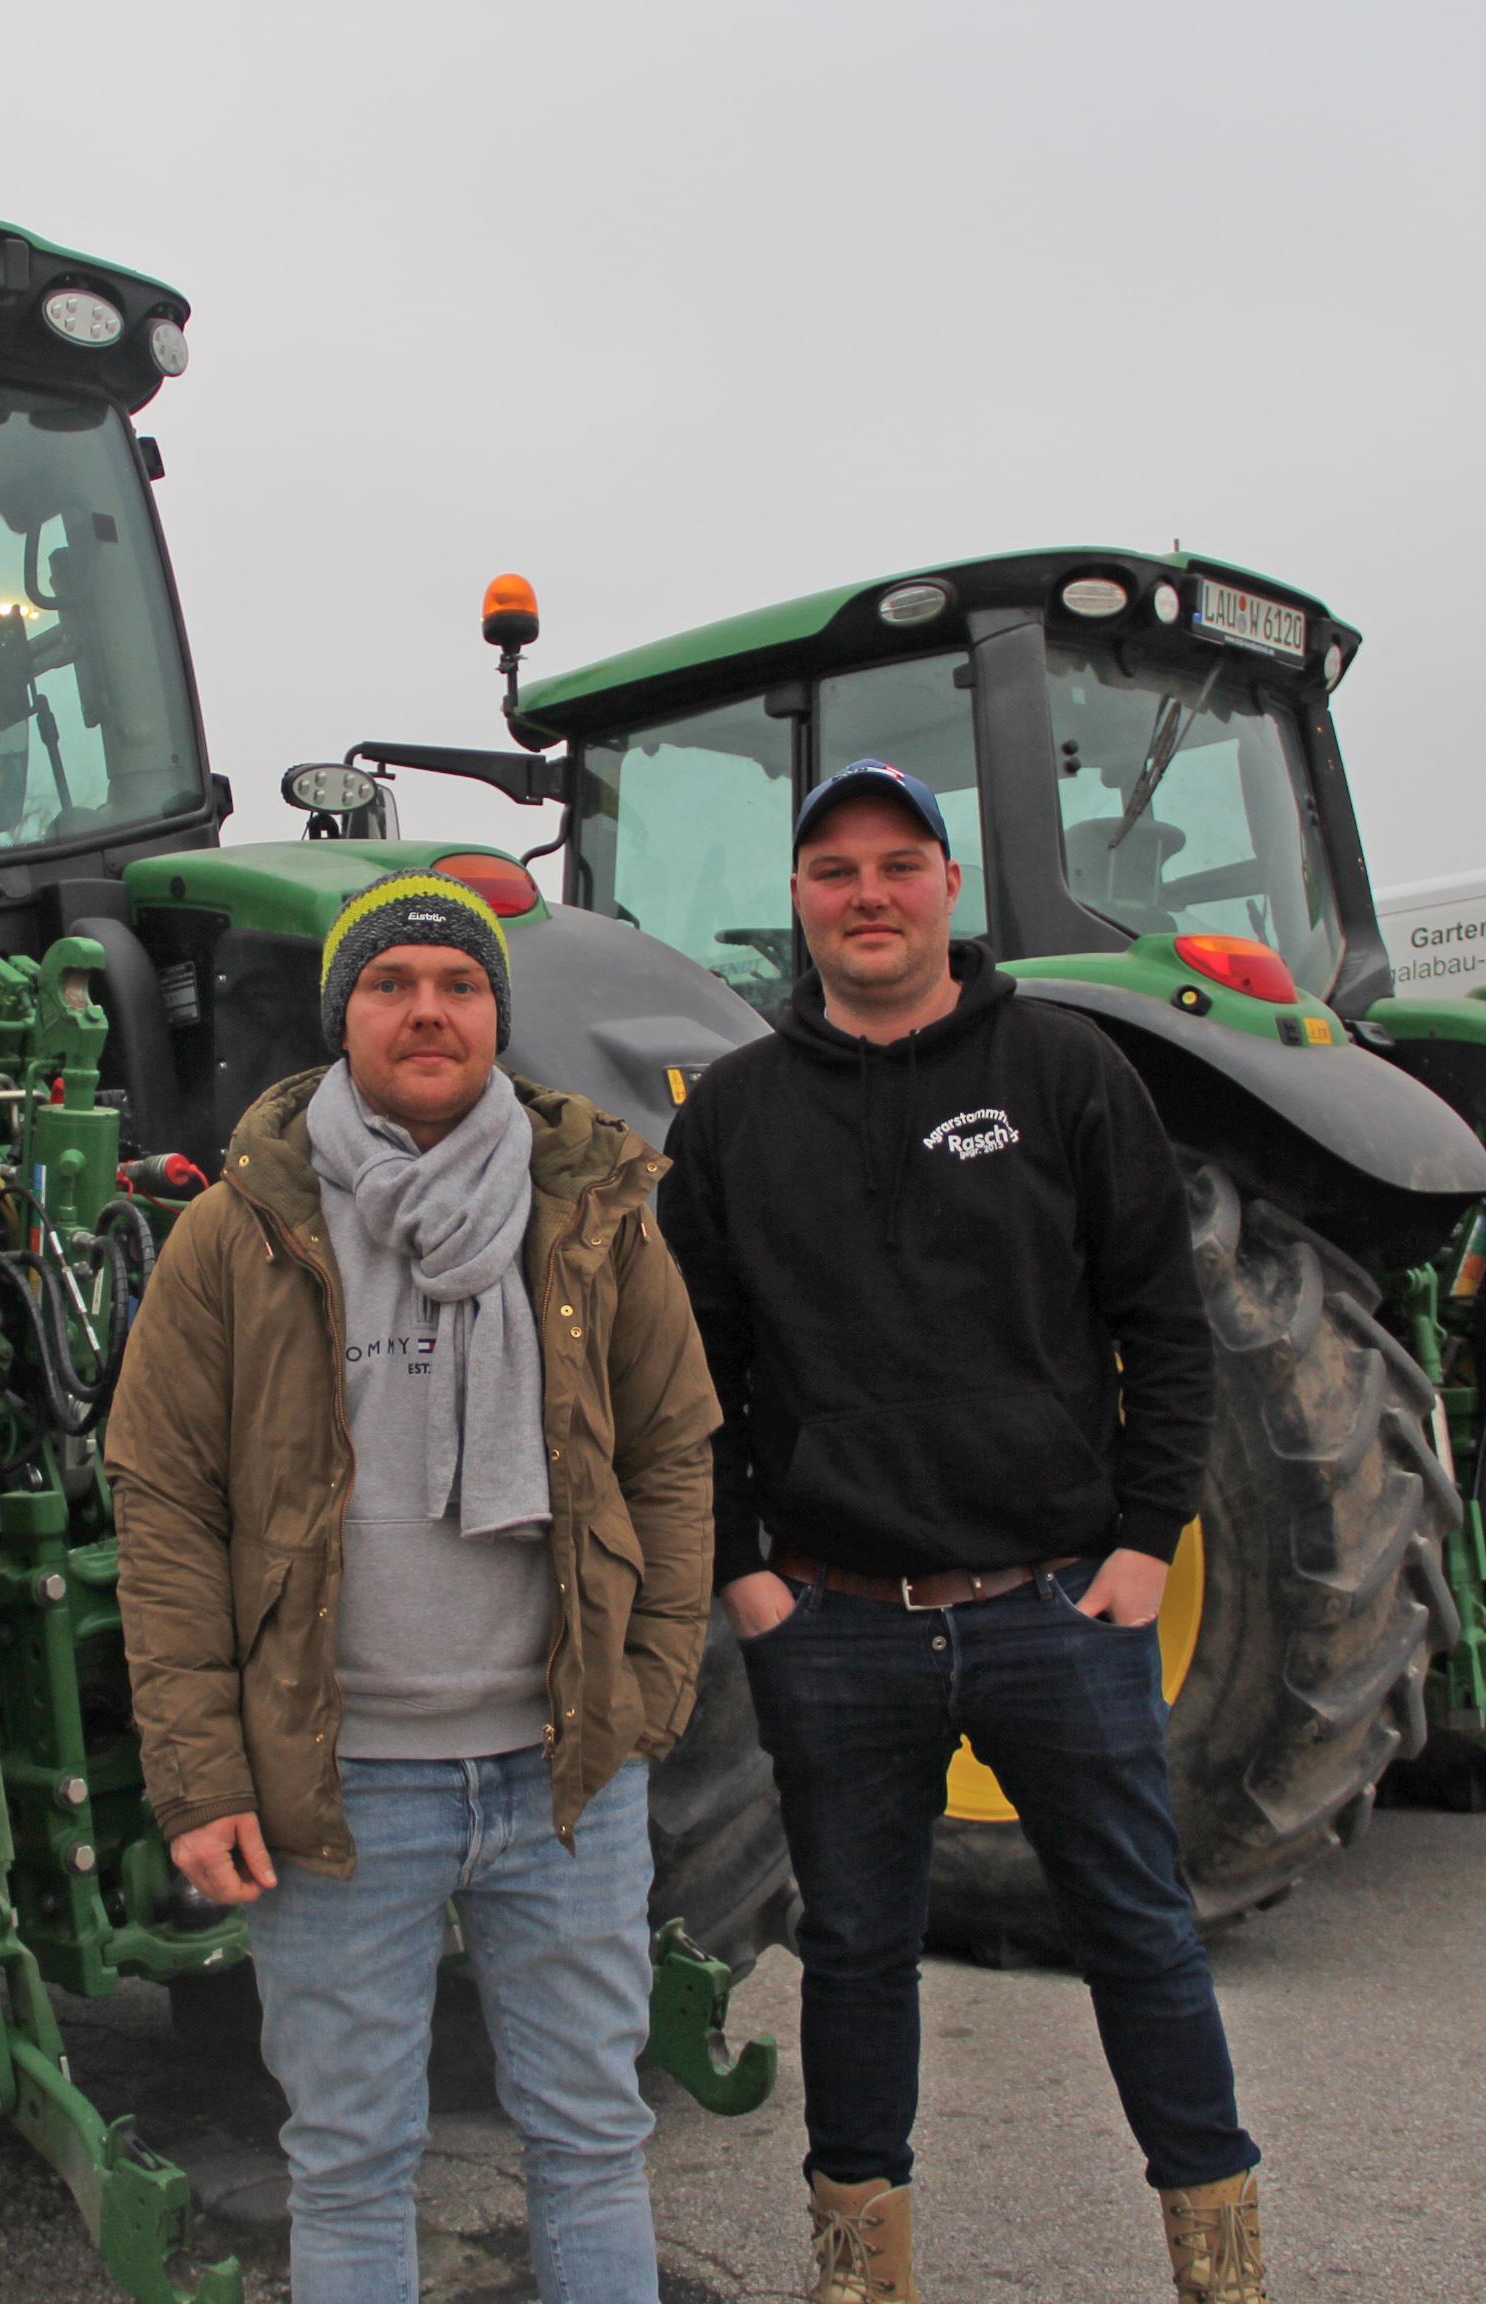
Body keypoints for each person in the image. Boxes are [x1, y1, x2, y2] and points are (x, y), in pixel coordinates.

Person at [654, 764, 1271, 2304]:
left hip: (1051, 1607)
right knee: (855, 1954)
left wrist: (1141, 1545)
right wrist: (745, 1571)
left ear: (948, 887)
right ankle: (860, 2274)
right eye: (834, 870)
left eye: (899, 864)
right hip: (837, 1618)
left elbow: (1164, 1324)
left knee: (1138, 1935)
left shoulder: (1062, 1071)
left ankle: (1223, 2267)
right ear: (799, 901)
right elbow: (689, 1372)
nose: (868, 894)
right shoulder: (731, 1114)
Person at [110, 871, 720, 2304]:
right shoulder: (235, 1236)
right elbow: (166, 1510)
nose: (427, 1009)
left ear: (497, 1017)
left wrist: (648, 1694)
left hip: (561, 1772)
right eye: (391, 985)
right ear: (341, 1021)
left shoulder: (595, 1215)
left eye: (458, 983)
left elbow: (676, 1461)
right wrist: (201, 1779)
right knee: (349, 2159)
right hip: (339, 1789)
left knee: (588, 2138)